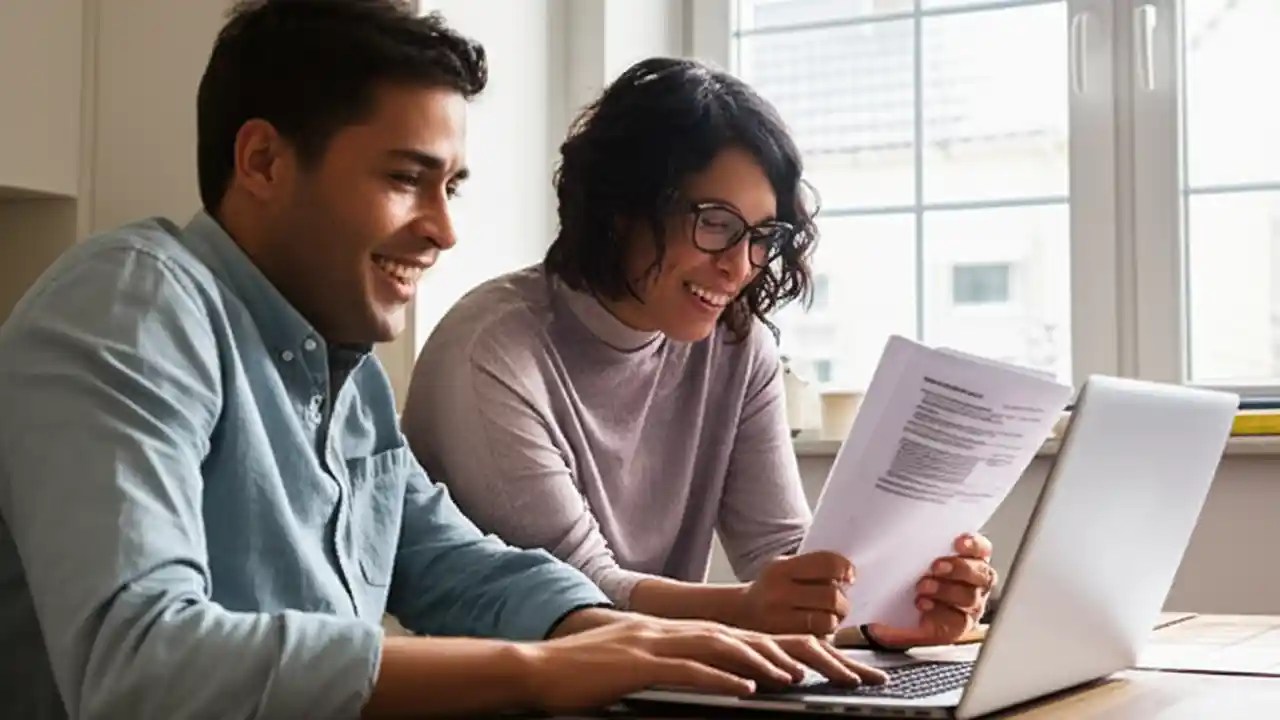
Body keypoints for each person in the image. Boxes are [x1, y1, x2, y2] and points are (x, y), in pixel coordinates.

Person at [0, 4, 889, 719]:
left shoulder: (340, 378)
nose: (444, 228)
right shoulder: (135, 302)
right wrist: (543, 669)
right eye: (404, 178)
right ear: (263, 160)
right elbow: (140, 666)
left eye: (451, 185)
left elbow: (460, 567)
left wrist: (614, 635)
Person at [403, 57, 998, 648]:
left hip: (666, 682)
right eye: (715, 223)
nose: (740, 265)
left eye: (763, 236)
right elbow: (577, 597)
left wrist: (900, 608)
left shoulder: (737, 346)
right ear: (621, 208)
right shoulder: (493, 350)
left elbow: (781, 555)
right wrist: (748, 609)